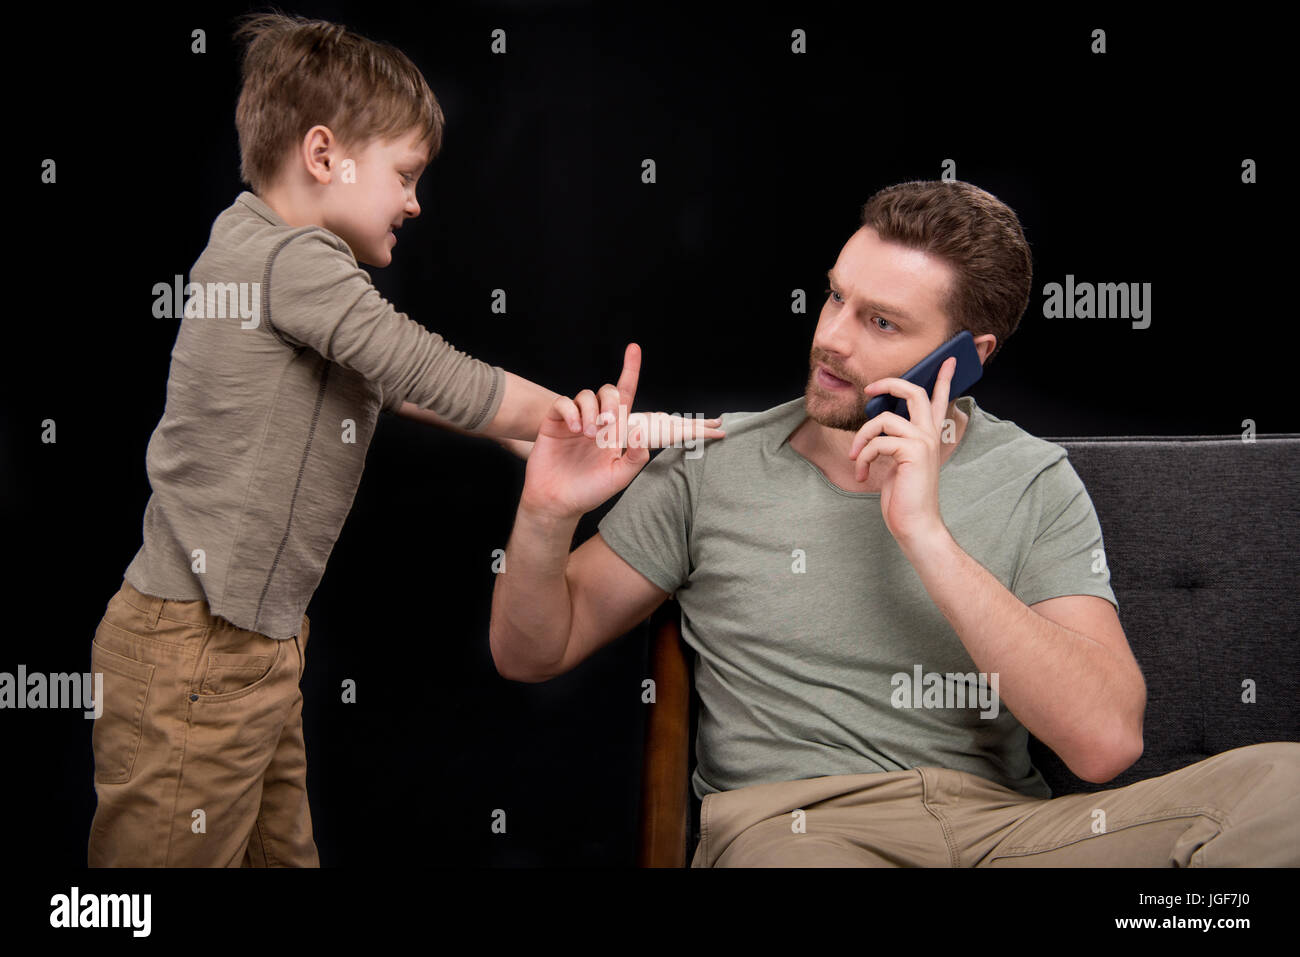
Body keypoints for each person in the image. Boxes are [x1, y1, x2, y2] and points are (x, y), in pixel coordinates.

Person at [489, 179, 1300, 866]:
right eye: (837, 295)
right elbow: (534, 650)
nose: (830, 338)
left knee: (1281, 789)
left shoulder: (1033, 478)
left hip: (1005, 835)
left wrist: (926, 534)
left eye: (880, 322)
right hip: (806, 831)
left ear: (963, 356)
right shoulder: (713, 462)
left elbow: (1104, 743)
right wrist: (545, 511)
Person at [86, 12, 722, 867]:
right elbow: (419, 366)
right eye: (405, 175)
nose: (416, 202)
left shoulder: (252, 248)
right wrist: (571, 420)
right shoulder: (295, 261)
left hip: (249, 645)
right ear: (323, 155)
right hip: (202, 650)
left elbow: (376, 376)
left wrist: (521, 440)